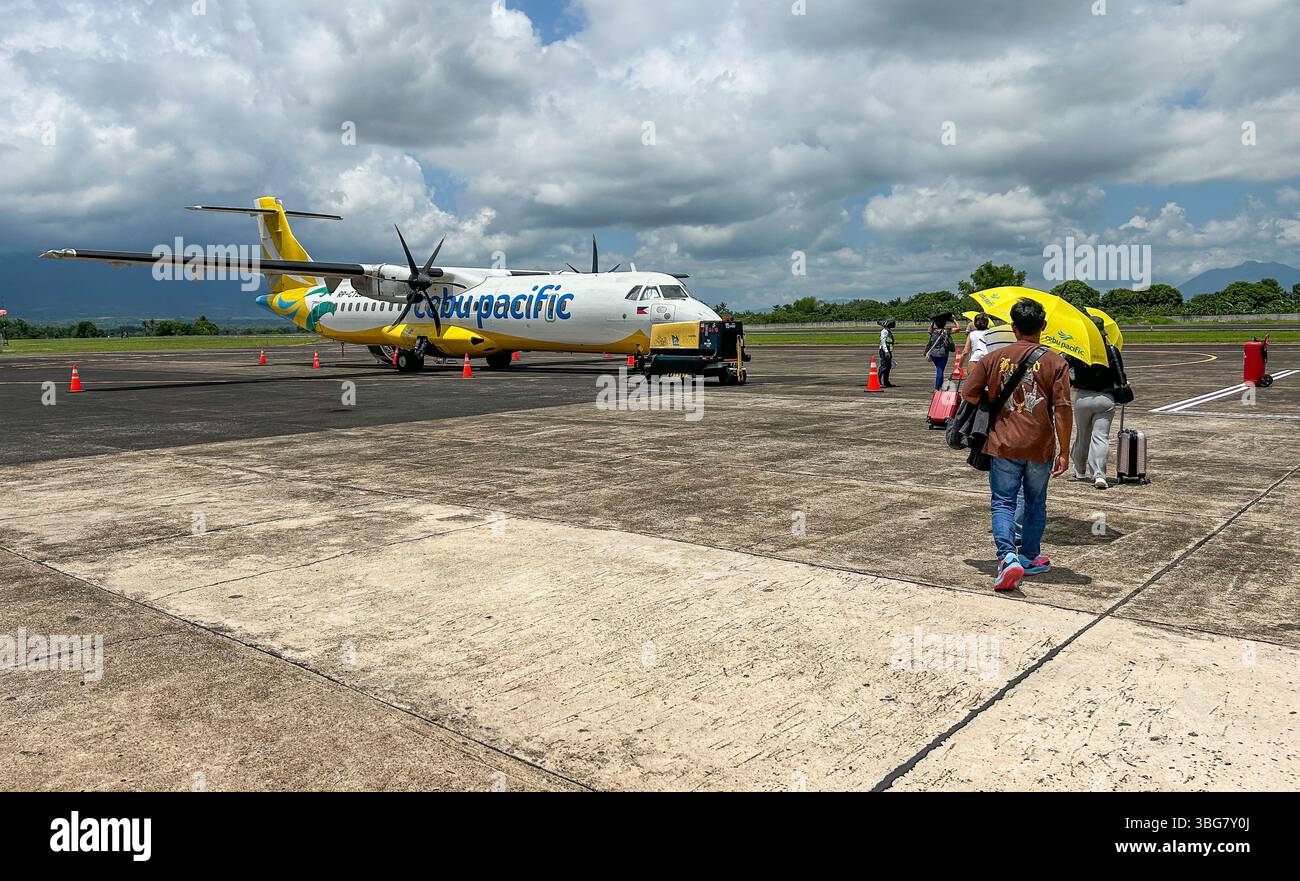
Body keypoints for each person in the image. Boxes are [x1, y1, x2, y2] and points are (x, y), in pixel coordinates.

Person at [962, 298, 1073, 592]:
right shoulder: (1055, 361)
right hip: (1040, 445)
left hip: (1003, 443)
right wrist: (1065, 449)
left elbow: (968, 393)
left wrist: (996, 401)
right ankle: (1030, 556)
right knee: (1036, 501)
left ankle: (1007, 556)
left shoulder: (993, 358)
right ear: (1043, 327)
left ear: (1013, 327)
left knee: (1003, 502)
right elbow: (1062, 408)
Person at [1066, 316, 1128, 490]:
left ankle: (1079, 470)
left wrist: (1073, 384)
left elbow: (1065, 368)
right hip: (1106, 398)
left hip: (1083, 397)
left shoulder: (1078, 350)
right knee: (1101, 437)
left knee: (1082, 435)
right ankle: (1099, 474)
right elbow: (1119, 375)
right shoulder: (1112, 350)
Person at [924, 319, 955, 391]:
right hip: (943, 354)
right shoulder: (946, 332)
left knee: (939, 369)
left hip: (933, 354)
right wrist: (953, 320)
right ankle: (937, 388)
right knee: (940, 370)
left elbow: (929, 329)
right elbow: (958, 328)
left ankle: (939, 386)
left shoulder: (933, 332)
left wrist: (933, 322)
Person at [878, 319, 897, 387]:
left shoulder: (888, 331)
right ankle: (878, 382)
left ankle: (886, 382)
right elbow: (883, 342)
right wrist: (886, 351)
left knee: (888, 367)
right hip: (884, 351)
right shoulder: (884, 331)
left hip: (888, 351)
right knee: (883, 366)